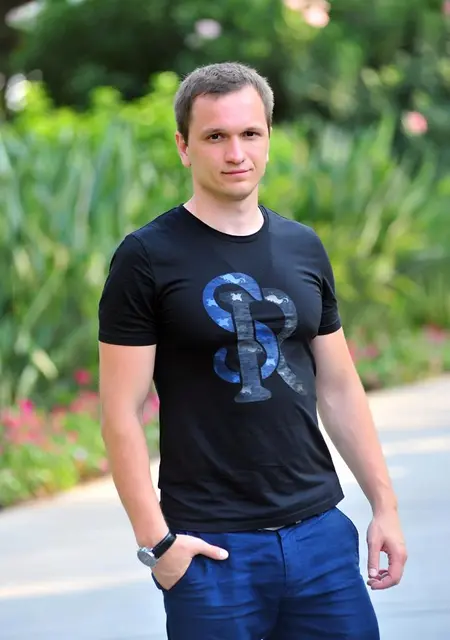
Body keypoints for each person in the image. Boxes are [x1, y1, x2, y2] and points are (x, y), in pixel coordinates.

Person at [98, 61, 407, 640]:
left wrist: (383, 506)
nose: (235, 152)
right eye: (215, 136)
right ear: (184, 146)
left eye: (249, 133)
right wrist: (157, 544)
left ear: (268, 138)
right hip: (212, 549)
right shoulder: (146, 258)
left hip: (319, 535)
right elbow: (120, 411)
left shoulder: (302, 246)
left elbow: (339, 386)